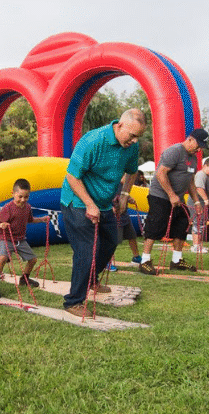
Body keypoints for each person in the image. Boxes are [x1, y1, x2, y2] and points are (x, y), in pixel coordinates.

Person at [60, 109, 146, 318]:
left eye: (138, 137)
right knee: (87, 249)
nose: (134, 141)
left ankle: (90, 280)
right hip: (77, 201)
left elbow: (132, 170)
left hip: (105, 203)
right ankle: (74, 301)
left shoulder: (130, 147)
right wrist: (89, 204)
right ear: (120, 126)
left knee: (111, 241)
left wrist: (124, 193)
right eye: (132, 135)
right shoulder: (93, 141)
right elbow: (72, 176)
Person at [138, 129, 208, 275]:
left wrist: (196, 201)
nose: (199, 149)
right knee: (155, 227)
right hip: (160, 196)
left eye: (202, 146)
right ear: (190, 139)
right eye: (198, 145)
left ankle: (176, 261)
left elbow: (190, 181)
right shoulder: (175, 151)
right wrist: (171, 194)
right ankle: (144, 261)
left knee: (182, 226)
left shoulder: (193, 158)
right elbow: (160, 173)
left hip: (178, 199)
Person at [0, 179, 50, 298]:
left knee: (33, 260)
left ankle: (24, 279)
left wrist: (42, 219)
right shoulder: (8, 208)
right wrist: (1, 225)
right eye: (20, 196)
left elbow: (30, 220)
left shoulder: (27, 207)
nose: (23, 200)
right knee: (2, 258)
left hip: (20, 239)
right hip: (6, 238)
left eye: (26, 197)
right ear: (13, 193)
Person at [190, 157, 209, 253]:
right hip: (199, 203)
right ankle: (196, 246)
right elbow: (199, 187)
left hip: (202, 203)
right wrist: (206, 200)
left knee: (200, 224)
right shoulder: (201, 174)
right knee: (198, 224)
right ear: (205, 166)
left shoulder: (207, 177)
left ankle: (198, 245)